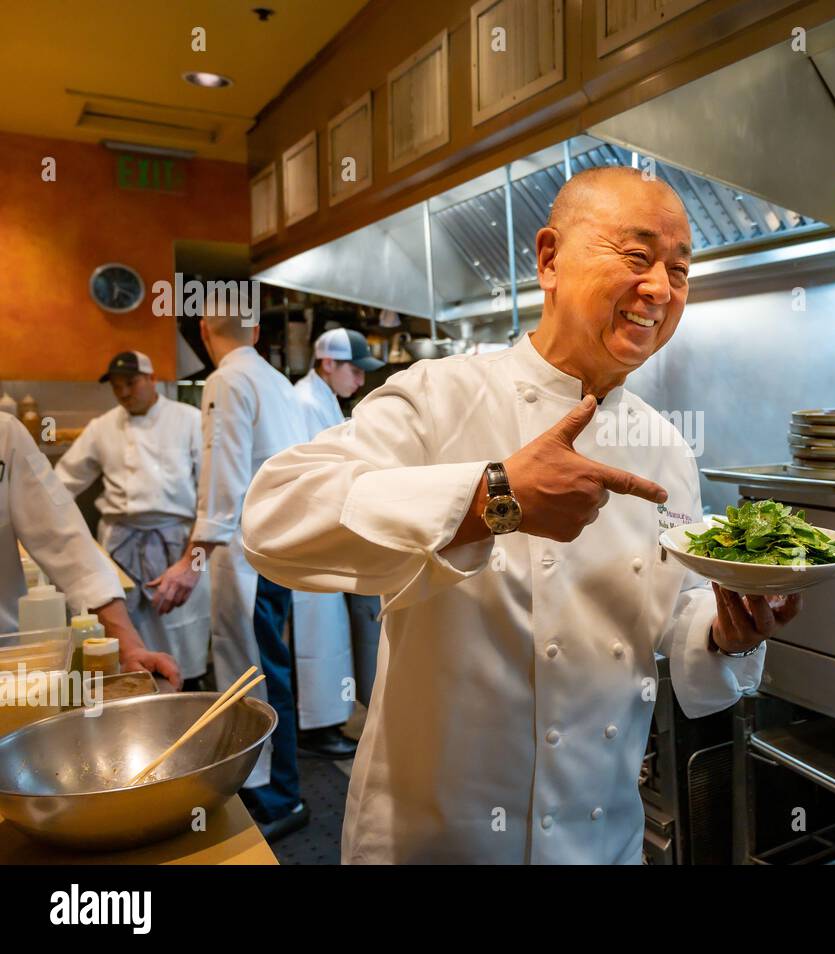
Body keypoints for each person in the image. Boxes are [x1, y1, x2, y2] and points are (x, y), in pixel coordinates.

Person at [242, 166, 802, 863]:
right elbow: (272, 518)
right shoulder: (438, 397)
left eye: (680, 270)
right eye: (636, 258)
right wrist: (492, 498)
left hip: (600, 841)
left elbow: (671, 618)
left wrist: (725, 630)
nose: (659, 288)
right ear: (548, 260)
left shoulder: (666, 448)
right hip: (437, 842)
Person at [188, 302, 311, 841]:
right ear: (258, 332)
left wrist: (192, 556)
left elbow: (224, 474)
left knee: (251, 674)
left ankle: (276, 796)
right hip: (279, 550)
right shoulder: (280, 382)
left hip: (245, 556)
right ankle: (278, 788)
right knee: (271, 669)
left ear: (202, 331)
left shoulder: (226, 380)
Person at [55, 351, 210, 686]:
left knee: (182, 629)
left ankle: (189, 689)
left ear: (152, 379)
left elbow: (211, 493)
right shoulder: (102, 427)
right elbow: (59, 484)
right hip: (120, 541)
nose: (124, 392)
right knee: (127, 628)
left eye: (131, 382)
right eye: (116, 386)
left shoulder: (189, 420)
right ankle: (137, 693)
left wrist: (194, 559)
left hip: (177, 542)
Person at [1, 414, 179, 686]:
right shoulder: (102, 426)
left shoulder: (5, 432)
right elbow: (67, 479)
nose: (125, 390)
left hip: (6, 669)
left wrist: (129, 647)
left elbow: (64, 538)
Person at [290, 328, 383, 759]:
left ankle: (324, 720)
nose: (360, 381)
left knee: (327, 636)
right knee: (317, 636)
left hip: (325, 532)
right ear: (328, 363)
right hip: (309, 535)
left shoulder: (324, 399)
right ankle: (315, 727)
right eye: (354, 370)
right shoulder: (305, 401)